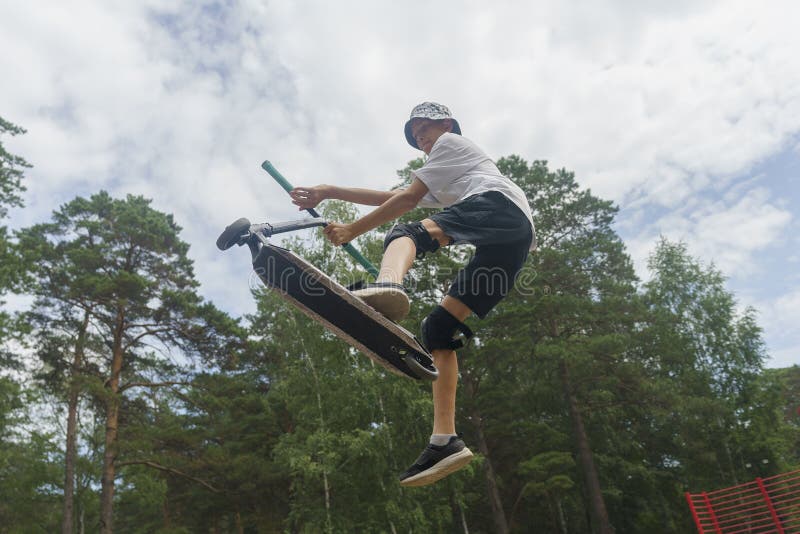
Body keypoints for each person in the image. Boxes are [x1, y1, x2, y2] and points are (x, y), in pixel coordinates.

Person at [289, 102, 535, 487]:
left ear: (447, 125)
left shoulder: (453, 144)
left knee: (405, 233)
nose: (421, 138)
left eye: (426, 128)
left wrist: (352, 230)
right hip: (512, 240)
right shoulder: (451, 173)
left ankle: (389, 283)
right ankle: (445, 440)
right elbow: (397, 194)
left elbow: (404, 201)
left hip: (498, 208)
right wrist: (329, 191)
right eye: (416, 134)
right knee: (439, 329)